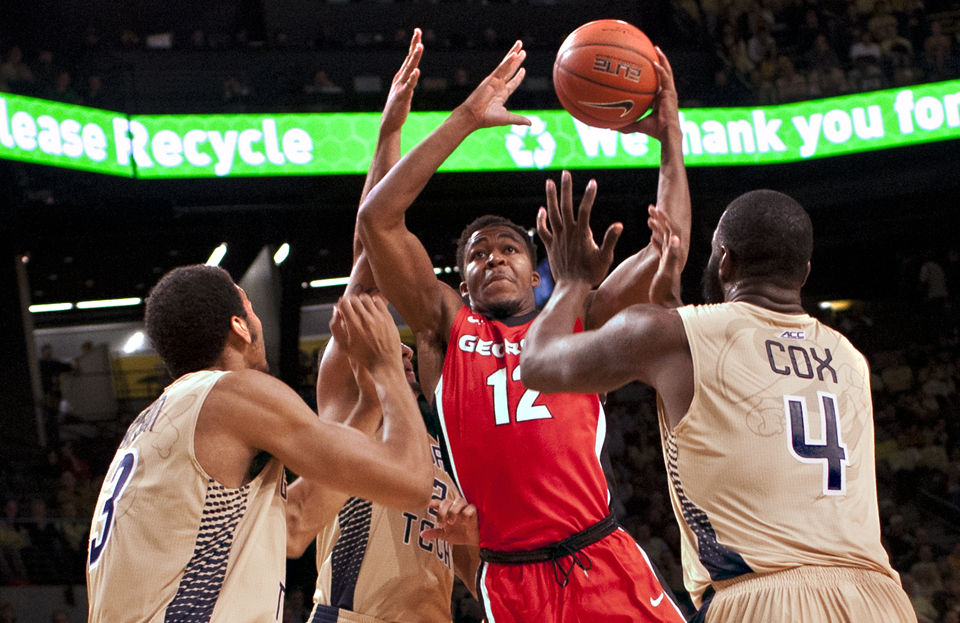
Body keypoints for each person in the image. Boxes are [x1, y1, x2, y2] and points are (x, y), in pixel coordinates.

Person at [356, 38, 690, 622]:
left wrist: (671, 143)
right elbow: (377, 219)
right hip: (509, 578)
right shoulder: (446, 328)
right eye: (477, 256)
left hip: (601, 558)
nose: (492, 259)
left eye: (508, 249)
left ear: (536, 274)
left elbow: (668, 247)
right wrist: (464, 120)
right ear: (462, 286)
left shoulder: (576, 325)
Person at [520, 188, 917, 622]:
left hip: (764, 599)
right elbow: (737, 381)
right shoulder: (848, 356)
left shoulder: (672, 336)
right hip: (881, 600)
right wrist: (675, 309)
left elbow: (538, 365)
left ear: (724, 261)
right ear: (803, 273)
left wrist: (572, 281)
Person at [86, 266, 433, 622]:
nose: (257, 318)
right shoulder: (234, 392)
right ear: (239, 326)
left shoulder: (156, 421)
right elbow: (413, 482)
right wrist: (387, 365)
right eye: (251, 307)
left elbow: (296, 524)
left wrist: (370, 405)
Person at [284, 29, 479, 623]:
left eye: (411, 344)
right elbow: (367, 263)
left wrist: (468, 541)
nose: (399, 345)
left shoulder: (459, 449)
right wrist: (389, 134)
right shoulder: (350, 416)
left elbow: (474, 579)